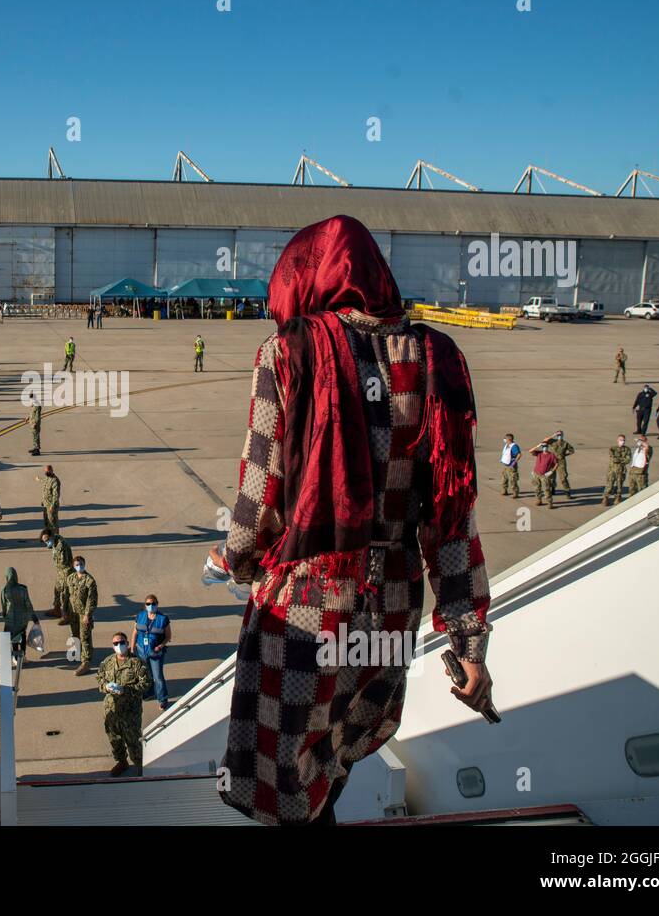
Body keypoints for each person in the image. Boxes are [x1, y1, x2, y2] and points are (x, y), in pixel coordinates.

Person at [210, 216, 492, 827]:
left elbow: (259, 495)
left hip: (311, 601)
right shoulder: (433, 357)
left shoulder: (288, 352)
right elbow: (451, 521)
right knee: (337, 763)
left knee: (289, 786)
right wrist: (470, 644)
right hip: (391, 604)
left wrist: (231, 560)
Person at [96, 632, 151, 776]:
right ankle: (122, 762)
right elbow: (100, 679)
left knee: (133, 739)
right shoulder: (107, 662)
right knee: (114, 738)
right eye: (115, 643)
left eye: (121, 643)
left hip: (130, 711)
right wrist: (106, 687)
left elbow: (146, 684)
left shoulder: (137, 663)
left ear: (127, 643)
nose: (118, 646)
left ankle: (140, 765)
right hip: (112, 709)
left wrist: (126, 690)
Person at [134, 595, 172, 710]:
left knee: (158, 676)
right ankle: (149, 693)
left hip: (156, 654)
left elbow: (168, 636)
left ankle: (162, 699)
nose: (151, 606)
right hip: (142, 651)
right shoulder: (140, 616)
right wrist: (132, 648)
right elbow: (134, 633)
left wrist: (160, 645)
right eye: (148, 604)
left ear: (157, 604)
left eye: (153, 603)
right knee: (146, 674)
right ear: (145, 605)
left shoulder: (163, 619)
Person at [0, 567, 39, 666]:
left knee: (13, 638)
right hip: (22, 618)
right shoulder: (23, 589)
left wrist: (5, 615)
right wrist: (34, 617)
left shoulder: (4, 590)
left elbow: (3, 605)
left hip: (10, 619)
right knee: (22, 636)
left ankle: (16, 657)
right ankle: (23, 656)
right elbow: (28, 604)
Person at [67, 556, 98, 676]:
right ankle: (76, 654)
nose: (79, 566)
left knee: (84, 637)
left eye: (81, 564)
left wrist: (87, 614)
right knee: (74, 634)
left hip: (84, 614)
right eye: (76, 564)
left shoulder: (89, 581)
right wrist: (65, 611)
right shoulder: (71, 578)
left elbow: (92, 600)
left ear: (84, 564)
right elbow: (66, 594)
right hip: (73, 612)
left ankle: (86, 663)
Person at [39, 527, 74, 624]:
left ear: (51, 537)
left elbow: (62, 562)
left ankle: (66, 615)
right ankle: (57, 610)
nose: (46, 543)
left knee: (64, 594)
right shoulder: (55, 540)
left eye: (47, 540)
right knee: (57, 590)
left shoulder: (60, 546)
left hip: (66, 572)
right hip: (61, 572)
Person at [601, 435, 632, 506]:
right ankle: (605, 498)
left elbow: (628, 460)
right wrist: (622, 459)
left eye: (623, 440)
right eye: (621, 440)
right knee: (610, 485)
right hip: (612, 470)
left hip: (621, 471)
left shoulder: (627, 449)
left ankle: (617, 498)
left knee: (619, 486)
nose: (622, 441)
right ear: (617, 440)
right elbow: (614, 459)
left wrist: (619, 459)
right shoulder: (612, 449)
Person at [545, 430, 574, 499]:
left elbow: (572, 451)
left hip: (561, 462)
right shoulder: (552, 441)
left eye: (560, 435)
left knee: (563, 477)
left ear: (563, 435)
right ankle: (552, 489)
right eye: (558, 435)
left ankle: (567, 493)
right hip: (552, 461)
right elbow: (545, 440)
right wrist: (553, 435)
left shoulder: (565, 443)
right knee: (551, 477)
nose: (559, 436)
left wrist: (564, 455)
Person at [530, 442, 558, 508]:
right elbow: (530, 451)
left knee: (547, 489)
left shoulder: (551, 455)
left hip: (544, 475)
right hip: (536, 474)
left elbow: (556, 464)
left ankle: (550, 503)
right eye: (543, 447)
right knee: (537, 488)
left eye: (545, 447)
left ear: (547, 447)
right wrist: (538, 445)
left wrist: (552, 471)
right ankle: (539, 500)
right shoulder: (539, 453)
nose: (544, 448)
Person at [36, 464, 60, 535]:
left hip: (51, 506)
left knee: (53, 523)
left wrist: (52, 506)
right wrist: (38, 479)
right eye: (45, 472)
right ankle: (49, 537)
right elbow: (44, 481)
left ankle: (55, 538)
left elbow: (56, 495)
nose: (46, 473)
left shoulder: (55, 481)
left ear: (52, 471)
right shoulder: (48, 477)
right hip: (46, 504)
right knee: (46, 522)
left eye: (48, 472)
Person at [500, 433, 521, 498]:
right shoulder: (507, 445)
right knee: (504, 479)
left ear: (509, 439)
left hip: (511, 466)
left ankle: (515, 492)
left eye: (505, 438)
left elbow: (519, 454)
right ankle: (504, 490)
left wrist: (514, 462)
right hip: (505, 465)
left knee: (513, 479)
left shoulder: (514, 446)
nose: (504, 439)